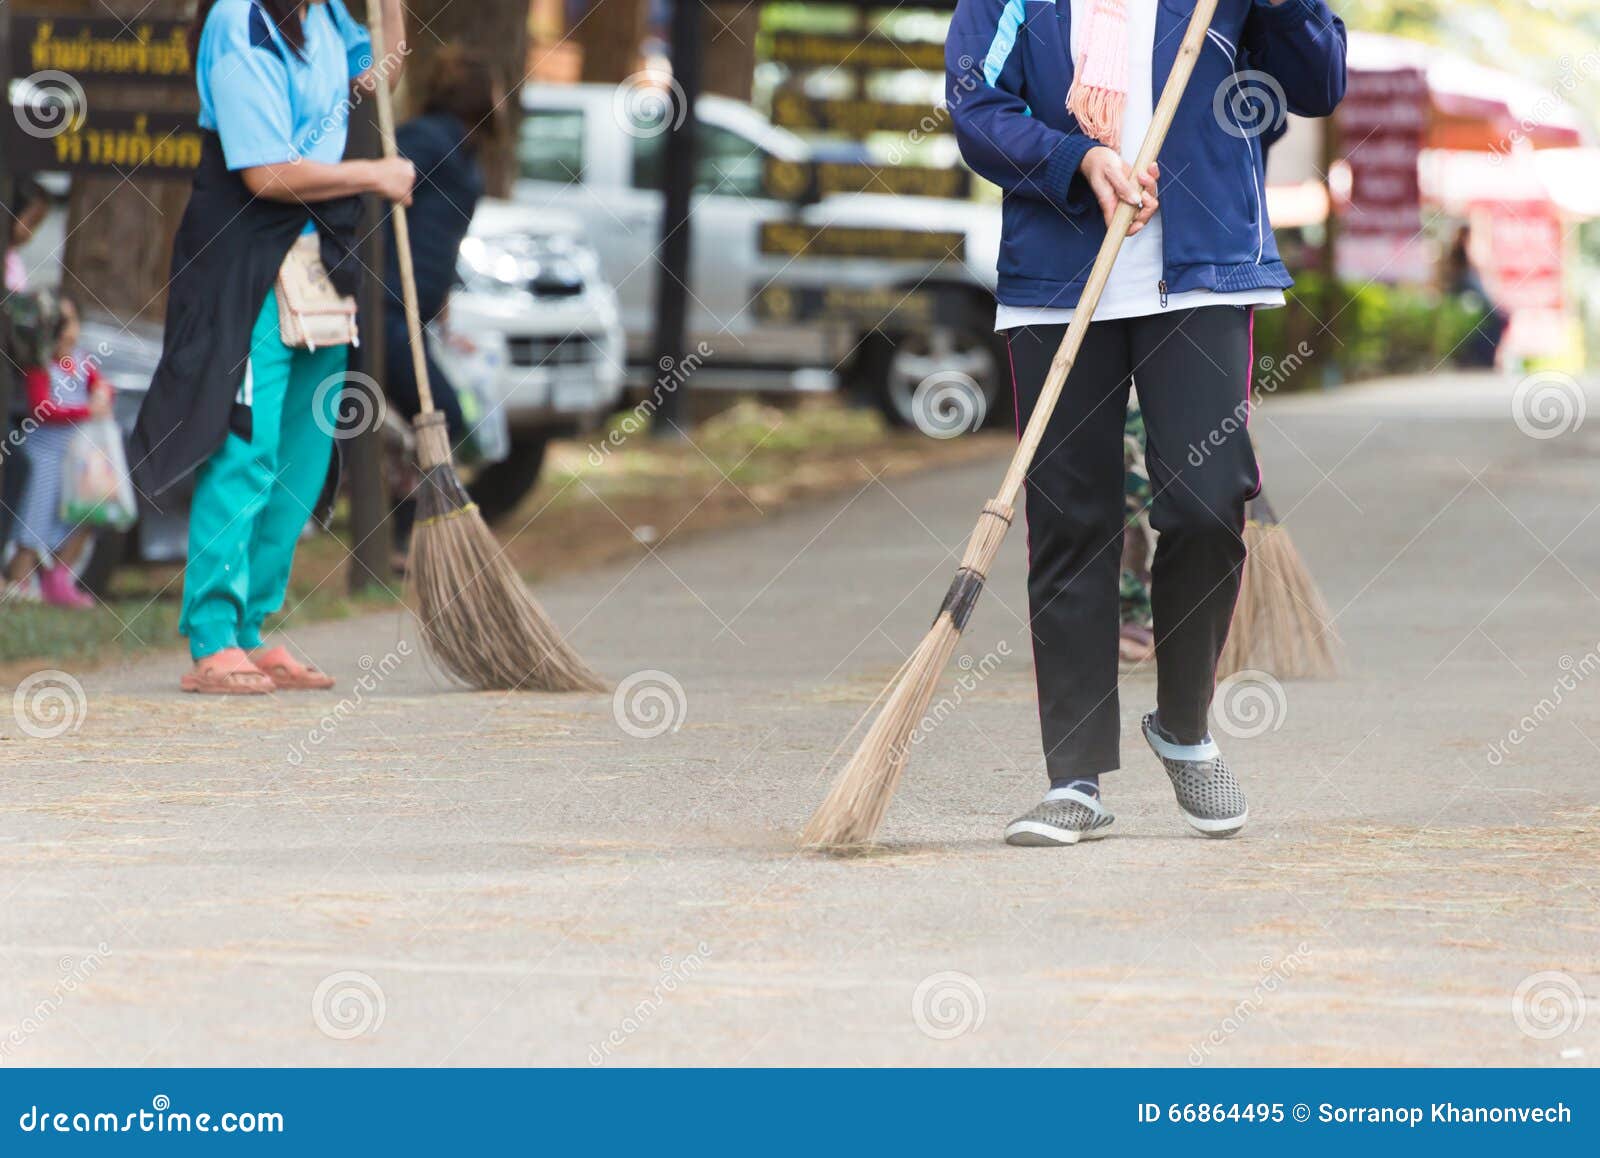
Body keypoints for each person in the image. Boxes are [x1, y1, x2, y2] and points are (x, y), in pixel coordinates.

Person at [946, 0, 1346, 845]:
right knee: (1072, 519)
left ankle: (1185, 725)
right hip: (1058, 277)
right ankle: (1076, 777)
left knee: (1207, 503)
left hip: (1200, 268)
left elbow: (1317, 85)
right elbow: (976, 104)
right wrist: (1075, 156)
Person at [129, 0, 413, 695]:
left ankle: (254, 627)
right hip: (246, 255)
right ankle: (213, 636)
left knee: (304, 448)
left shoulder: (322, 17)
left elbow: (376, 76)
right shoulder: (241, 18)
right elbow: (264, 172)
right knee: (247, 445)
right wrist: (372, 175)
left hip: (320, 255)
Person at [380, 48, 501, 567]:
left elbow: (437, 233)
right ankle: (409, 539)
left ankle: (408, 536)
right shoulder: (427, 138)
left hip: (413, 313)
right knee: (439, 414)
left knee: (435, 417)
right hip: (384, 308)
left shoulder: (462, 150)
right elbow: (386, 195)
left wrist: (443, 308)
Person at [3, 296, 109, 607]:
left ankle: (58, 578)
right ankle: (17, 581)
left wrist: (103, 394)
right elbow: (41, 408)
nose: (66, 333)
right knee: (33, 522)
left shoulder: (79, 361)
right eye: (58, 325)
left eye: (71, 323)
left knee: (85, 514)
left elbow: (100, 385)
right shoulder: (41, 363)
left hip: (73, 459)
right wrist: (85, 412)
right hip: (44, 457)